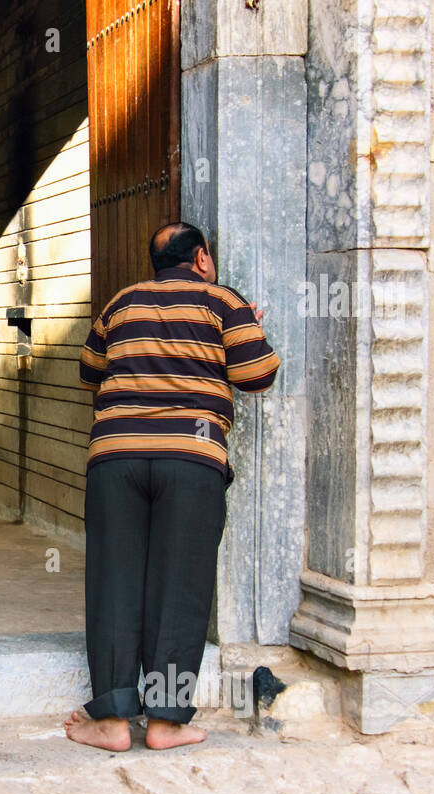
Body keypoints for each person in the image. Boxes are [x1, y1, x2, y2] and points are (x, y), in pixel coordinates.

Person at [67, 222, 280, 753]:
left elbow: (89, 369)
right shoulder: (222, 302)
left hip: (116, 459)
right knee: (181, 588)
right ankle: (166, 722)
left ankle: (113, 721)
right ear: (202, 258)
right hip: (192, 460)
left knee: (113, 583)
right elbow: (259, 374)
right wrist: (235, 336)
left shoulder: (122, 303)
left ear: (156, 262)